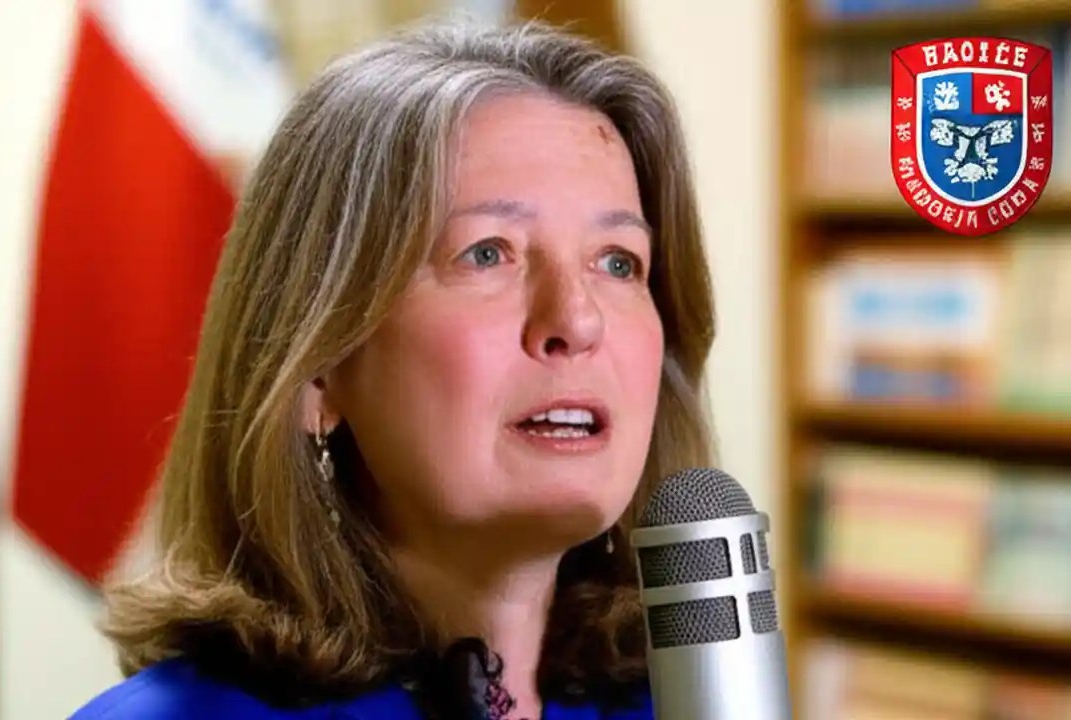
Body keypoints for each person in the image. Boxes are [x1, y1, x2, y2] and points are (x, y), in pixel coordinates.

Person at [71, 15, 715, 720]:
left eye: (619, 262)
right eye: (487, 253)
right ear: (318, 368)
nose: (578, 319)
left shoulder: (689, 703)